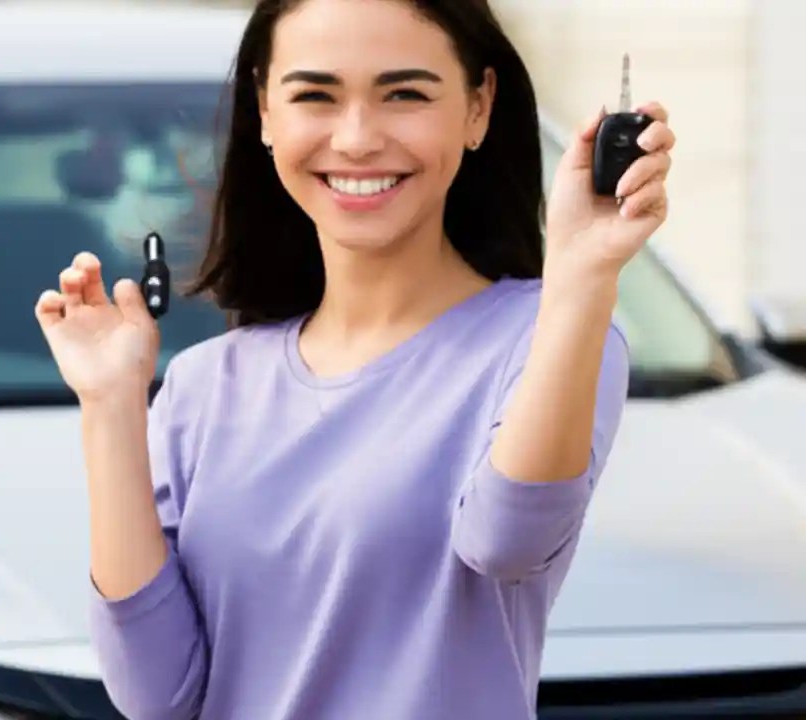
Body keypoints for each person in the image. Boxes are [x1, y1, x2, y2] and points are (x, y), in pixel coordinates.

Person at [34, 0, 674, 717]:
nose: (358, 137)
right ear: (265, 113)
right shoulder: (203, 387)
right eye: (315, 95)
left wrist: (582, 275)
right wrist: (111, 405)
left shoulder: (544, 336)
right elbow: (157, 695)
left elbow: (511, 544)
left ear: (477, 107)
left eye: (404, 93)